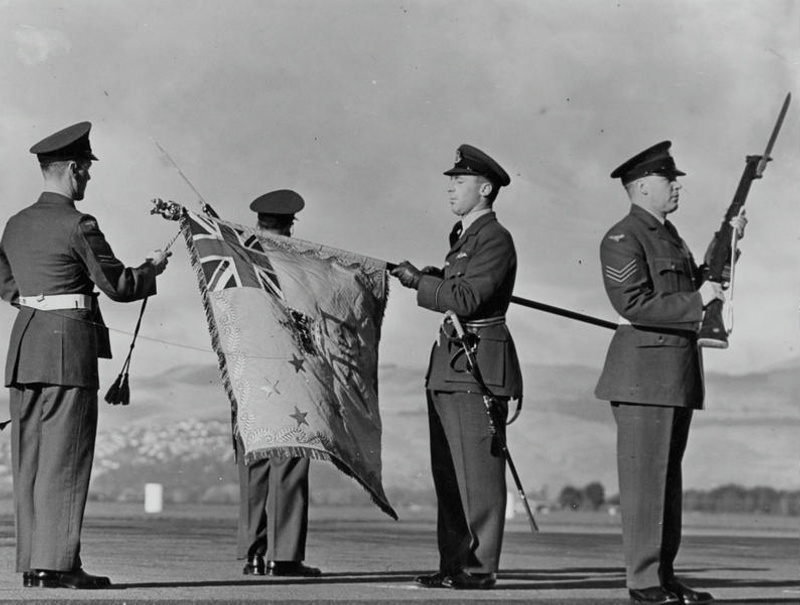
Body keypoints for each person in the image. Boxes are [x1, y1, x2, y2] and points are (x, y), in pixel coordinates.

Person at [0, 121, 171, 589]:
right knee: (65, 459)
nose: (89, 177)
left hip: (25, 347)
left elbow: (7, 285)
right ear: (74, 168)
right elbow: (119, 285)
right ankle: (56, 564)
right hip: (67, 353)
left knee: (31, 463)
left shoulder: (15, 224)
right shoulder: (79, 224)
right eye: (87, 169)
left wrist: (37, 302)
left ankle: (35, 564)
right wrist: (152, 268)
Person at [595, 141, 745, 605]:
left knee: (665, 483)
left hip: (673, 374)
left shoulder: (669, 236)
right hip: (644, 377)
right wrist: (699, 300)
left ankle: (663, 576)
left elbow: (700, 282)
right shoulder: (624, 237)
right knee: (646, 483)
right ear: (642, 186)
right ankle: (643, 581)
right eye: (668, 180)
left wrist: (731, 245)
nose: (676, 187)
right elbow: (634, 303)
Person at [391, 144, 522, 591]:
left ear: (485, 189)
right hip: (452, 365)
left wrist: (421, 283)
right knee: (448, 474)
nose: (450, 189)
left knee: (478, 476)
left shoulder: (494, 238)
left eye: (460, 182)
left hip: (477, 366)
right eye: (451, 181)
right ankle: (453, 564)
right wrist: (435, 279)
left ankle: (479, 568)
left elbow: (466, 299)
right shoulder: (464, 237)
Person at [235, 189, 321, 578]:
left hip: (245, 371)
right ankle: (283, 556)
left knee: (253, 463)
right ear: (289, 226)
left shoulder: (237, 261)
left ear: (258, 223)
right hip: (287, 373)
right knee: (288, 462)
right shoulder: (300, 267)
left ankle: (254, 554)